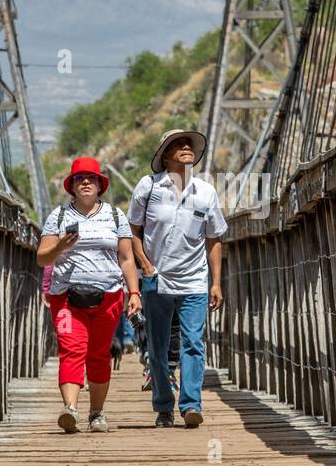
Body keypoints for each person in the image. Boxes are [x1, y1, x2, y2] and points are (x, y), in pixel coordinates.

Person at [128, 129, 227, 428]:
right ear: (165, 156)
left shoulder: (206, 191)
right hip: (156, 279)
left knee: (194, 343)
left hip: (195, 281)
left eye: (189, 145)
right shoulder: (148, 187)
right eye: (177, 145)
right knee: (157, 349)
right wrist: (144, 264)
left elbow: (214, 239)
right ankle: (163, 406)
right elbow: (132, 230)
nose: (186, 147)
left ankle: (191, 405)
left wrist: (216, 282)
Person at [37, 157, 142, 434]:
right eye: (80, 178)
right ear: (71, 185)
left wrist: (134, 292)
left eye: (91, 178)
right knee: (71, 350)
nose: (86, 182)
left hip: (108, 296)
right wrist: (60, 245)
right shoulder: (58, 217)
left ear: (100, 185)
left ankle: (96, 413)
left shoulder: (116, 216)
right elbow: (41, 258)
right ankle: (70, 410)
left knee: (98, 355)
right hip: (66, 298)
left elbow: (127, 259)